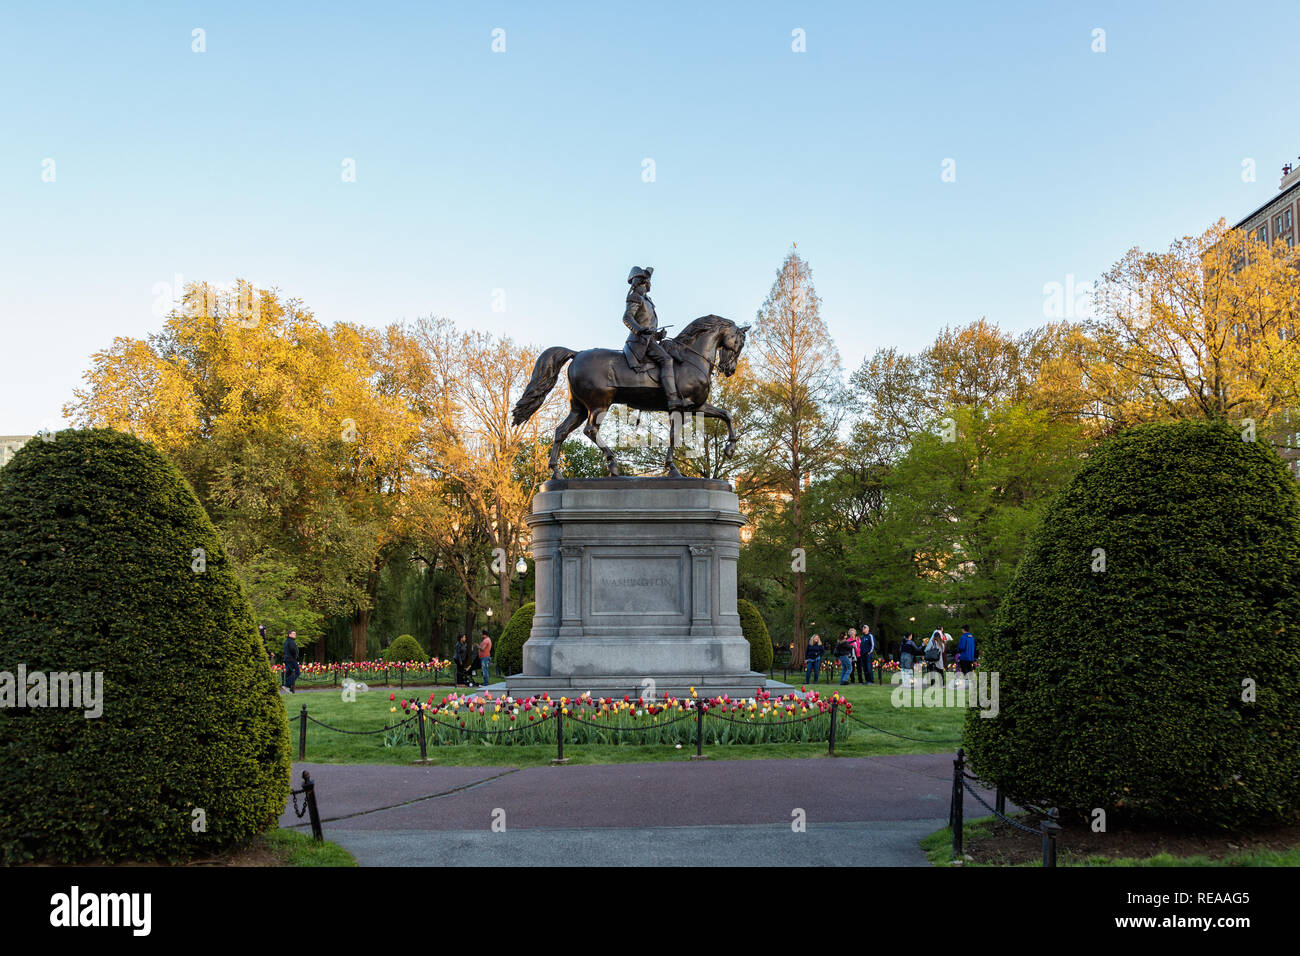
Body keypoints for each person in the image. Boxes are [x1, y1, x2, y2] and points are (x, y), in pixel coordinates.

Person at [621, 266, 686, 410]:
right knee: (667, 359)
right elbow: (627, 317)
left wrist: (657, 335)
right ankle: (672, 399)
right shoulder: (635, 297)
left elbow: (647, 326)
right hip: (639, 341)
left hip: (648, 340)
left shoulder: (647, 300)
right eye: (647, 281)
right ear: (641, 282)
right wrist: (639, 330)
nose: (649, 284)